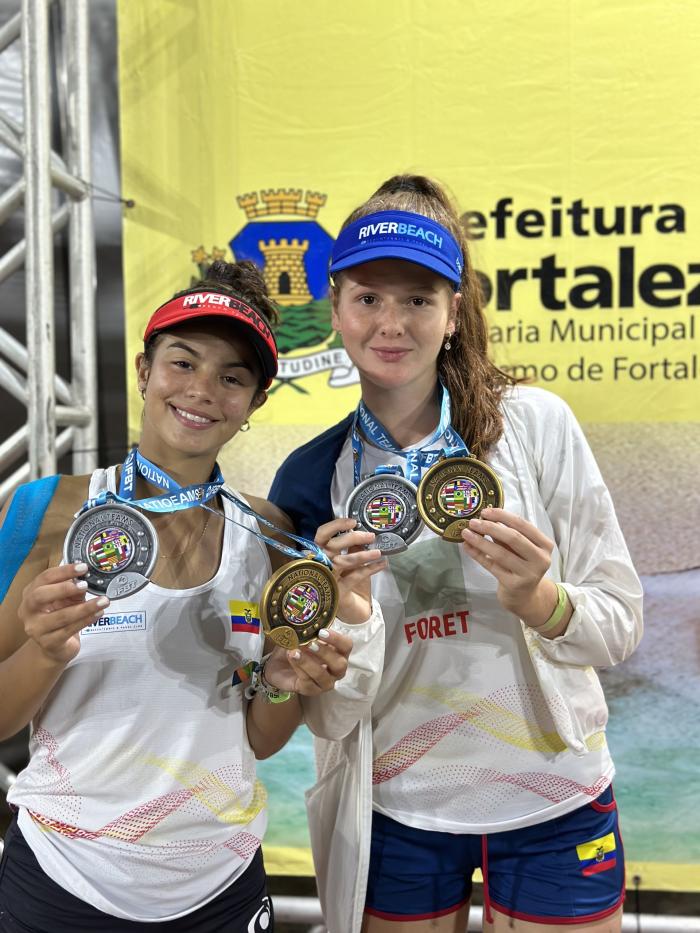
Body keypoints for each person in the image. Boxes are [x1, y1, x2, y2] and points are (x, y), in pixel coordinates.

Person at [268, 176, 644, 933]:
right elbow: (332, 717)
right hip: (396, 808)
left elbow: (621, 623)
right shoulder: (311, 479)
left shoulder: (533, 425)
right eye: (369, 298)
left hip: (553, 795)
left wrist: (542, 600)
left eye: (417, 299)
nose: (391, 323)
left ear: (453, 313)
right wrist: (348, 618)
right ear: (336, 308)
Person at [0, 260, 385, 931]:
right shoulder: (46, 510)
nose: (203, 389)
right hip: (65, 879)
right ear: (145, 370)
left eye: (232, 376)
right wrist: (44, 648)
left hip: (219, 883)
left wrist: (286, 683)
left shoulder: (269, 534)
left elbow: (260, 739)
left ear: (255, 402)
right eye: (182, 362)